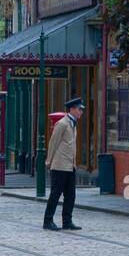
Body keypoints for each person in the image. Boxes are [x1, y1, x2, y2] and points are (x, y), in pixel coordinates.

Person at [43, 97, 84, 231]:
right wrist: (49, 161)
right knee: (55, 194)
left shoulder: (73, 123)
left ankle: (67, 221)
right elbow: (53, 142)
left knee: (70, 195)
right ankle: (48, 221)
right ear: (72, 109)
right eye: (79, 109)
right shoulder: (62, 123)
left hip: (70, 165)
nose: (81, 112)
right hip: (60, 165)